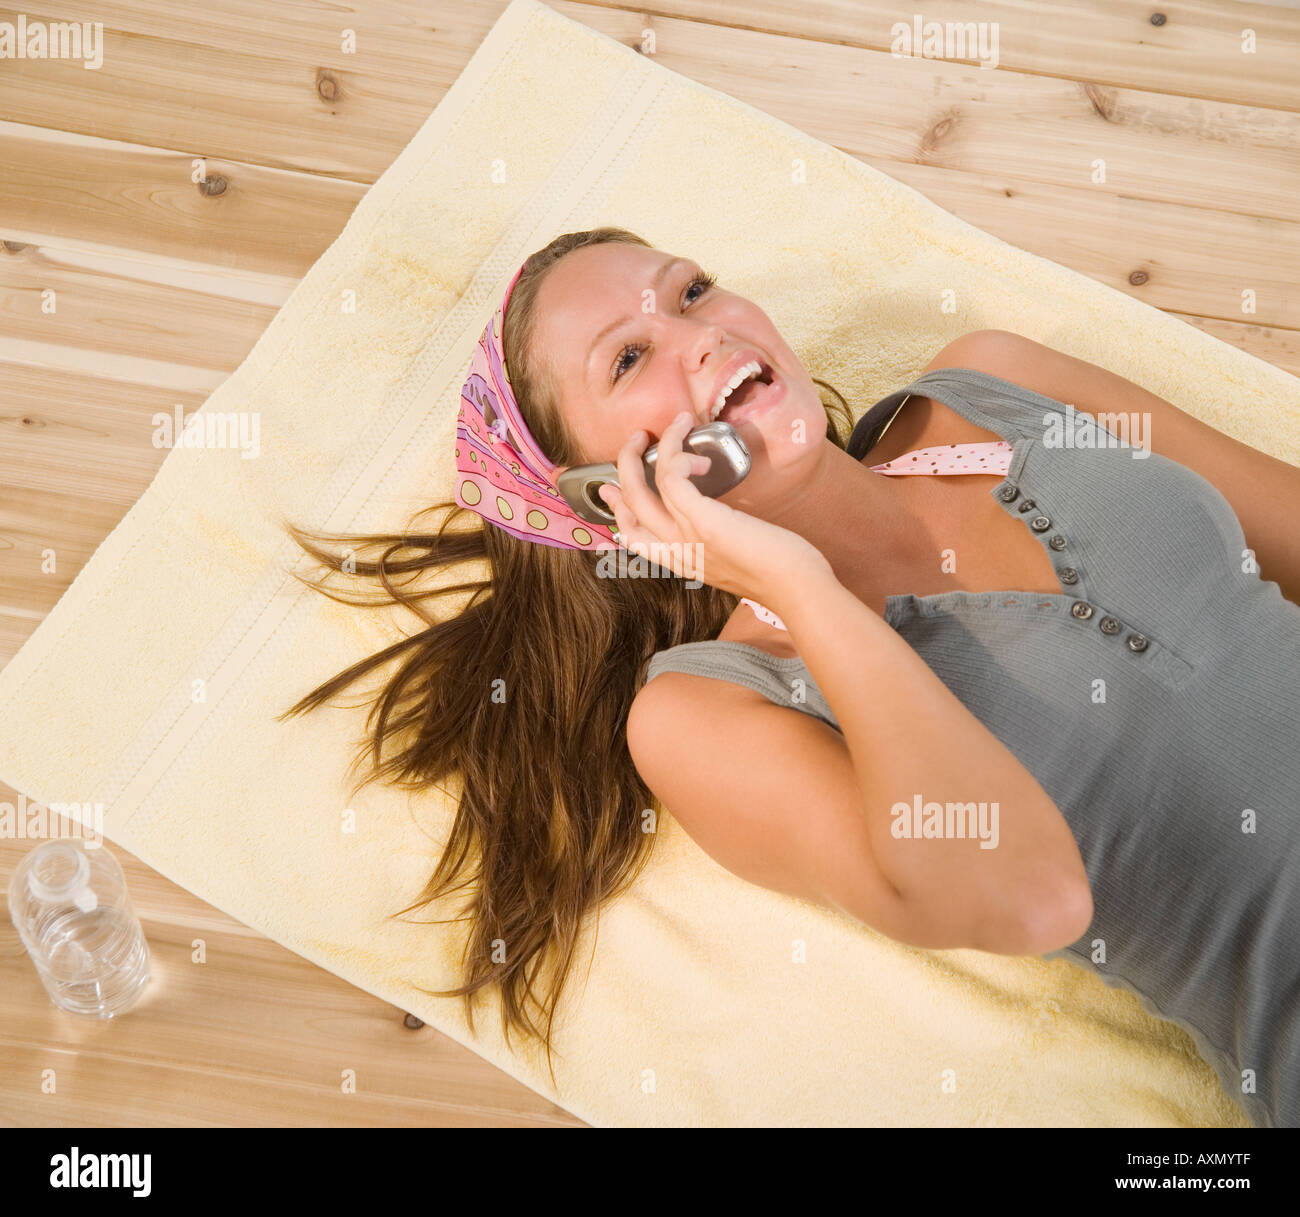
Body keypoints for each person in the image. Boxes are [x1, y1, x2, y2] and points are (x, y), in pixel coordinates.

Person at [281, 227, 1300, 1126]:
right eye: (630, 355)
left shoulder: (989, 382)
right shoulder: (709, 710)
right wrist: (797, 583)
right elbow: (1027, 894)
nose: (703, 332)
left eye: (692, 291)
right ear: (604, 498)